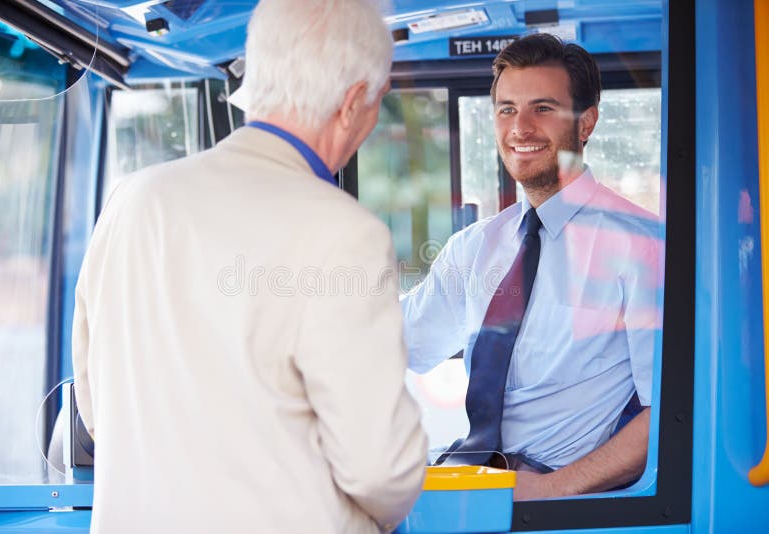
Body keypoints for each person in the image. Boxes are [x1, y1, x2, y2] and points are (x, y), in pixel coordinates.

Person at [72, 1, 427, 532]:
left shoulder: (131, 201)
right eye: (378, 101)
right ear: (353, 103)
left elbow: (95, 409)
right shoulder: (344, 234)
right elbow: (382, 472)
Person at [402, 33, 662, 500]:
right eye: (507, 109)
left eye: (543, 109)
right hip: (470, 483)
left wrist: (548, 491)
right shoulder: (475, 248)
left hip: (564, 499)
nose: (520, 128)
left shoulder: (643, 247)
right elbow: (397, 340)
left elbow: (671, 412)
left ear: (586, 123)